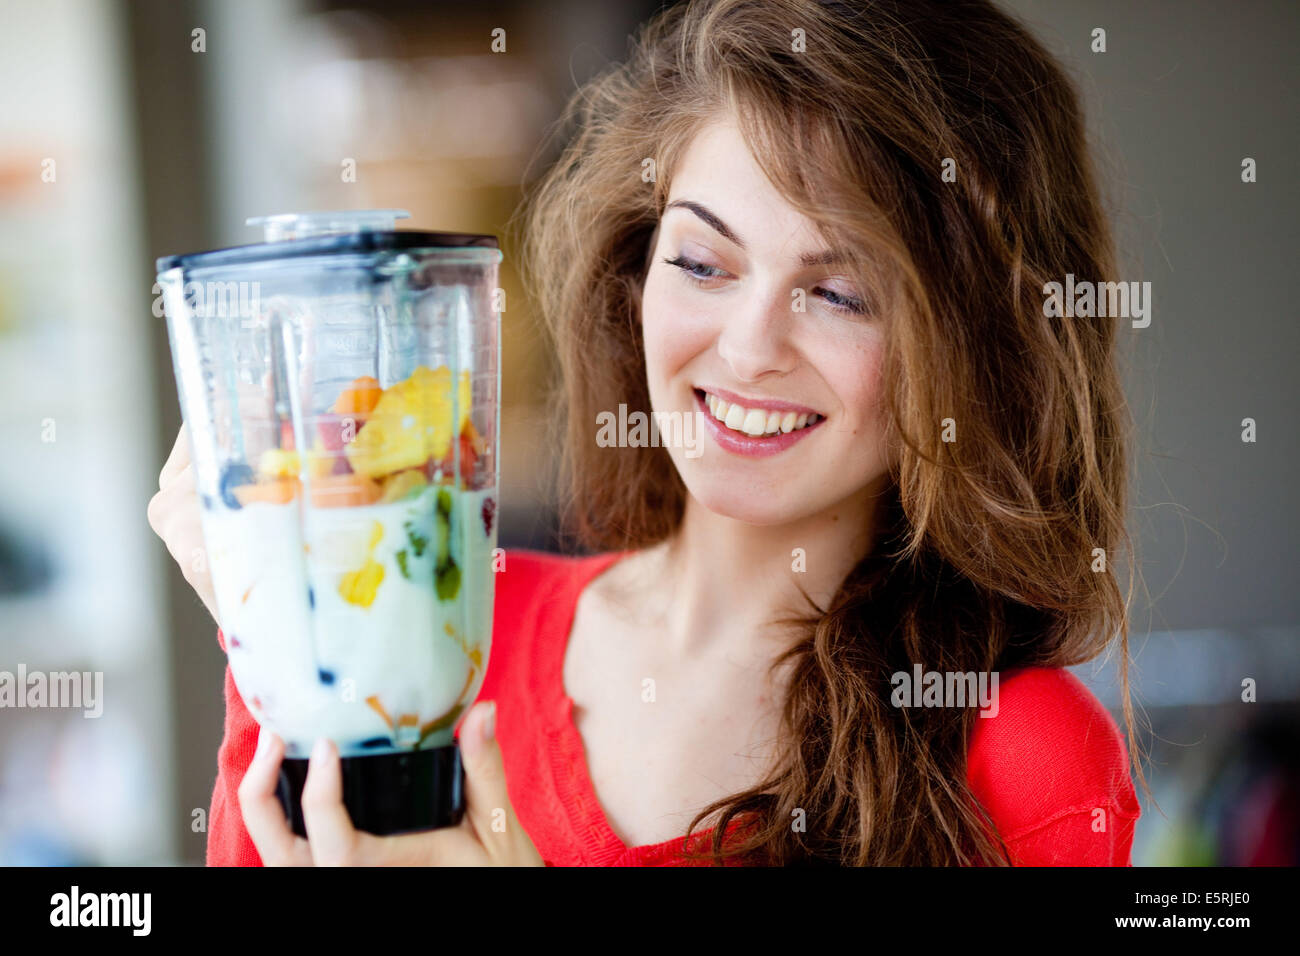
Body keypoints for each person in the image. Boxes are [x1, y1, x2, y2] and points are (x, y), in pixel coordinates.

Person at [149, 0, 1144, 866]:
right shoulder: (426, 642)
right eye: (703, 264)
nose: (747, 348)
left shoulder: (1023, 755)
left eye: (841, 293)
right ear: (635, 270)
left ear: (978, 344)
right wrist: (283, 619)